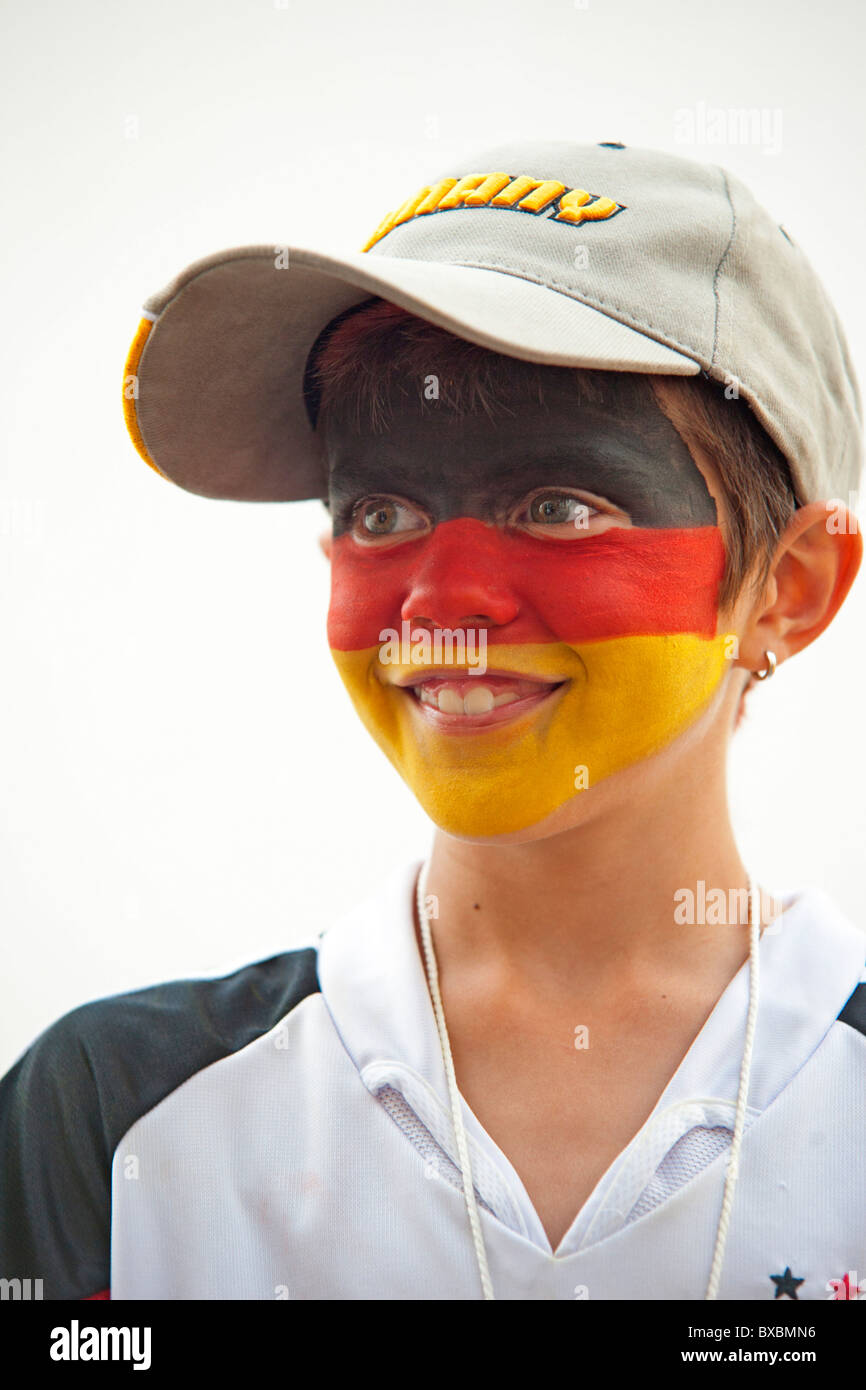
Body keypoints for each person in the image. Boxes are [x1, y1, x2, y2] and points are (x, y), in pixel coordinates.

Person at [2, 140, 864, 1301]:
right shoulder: (110, 1116)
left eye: (558, 506)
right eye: (379, 509)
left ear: (789, 586)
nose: (441, 602)